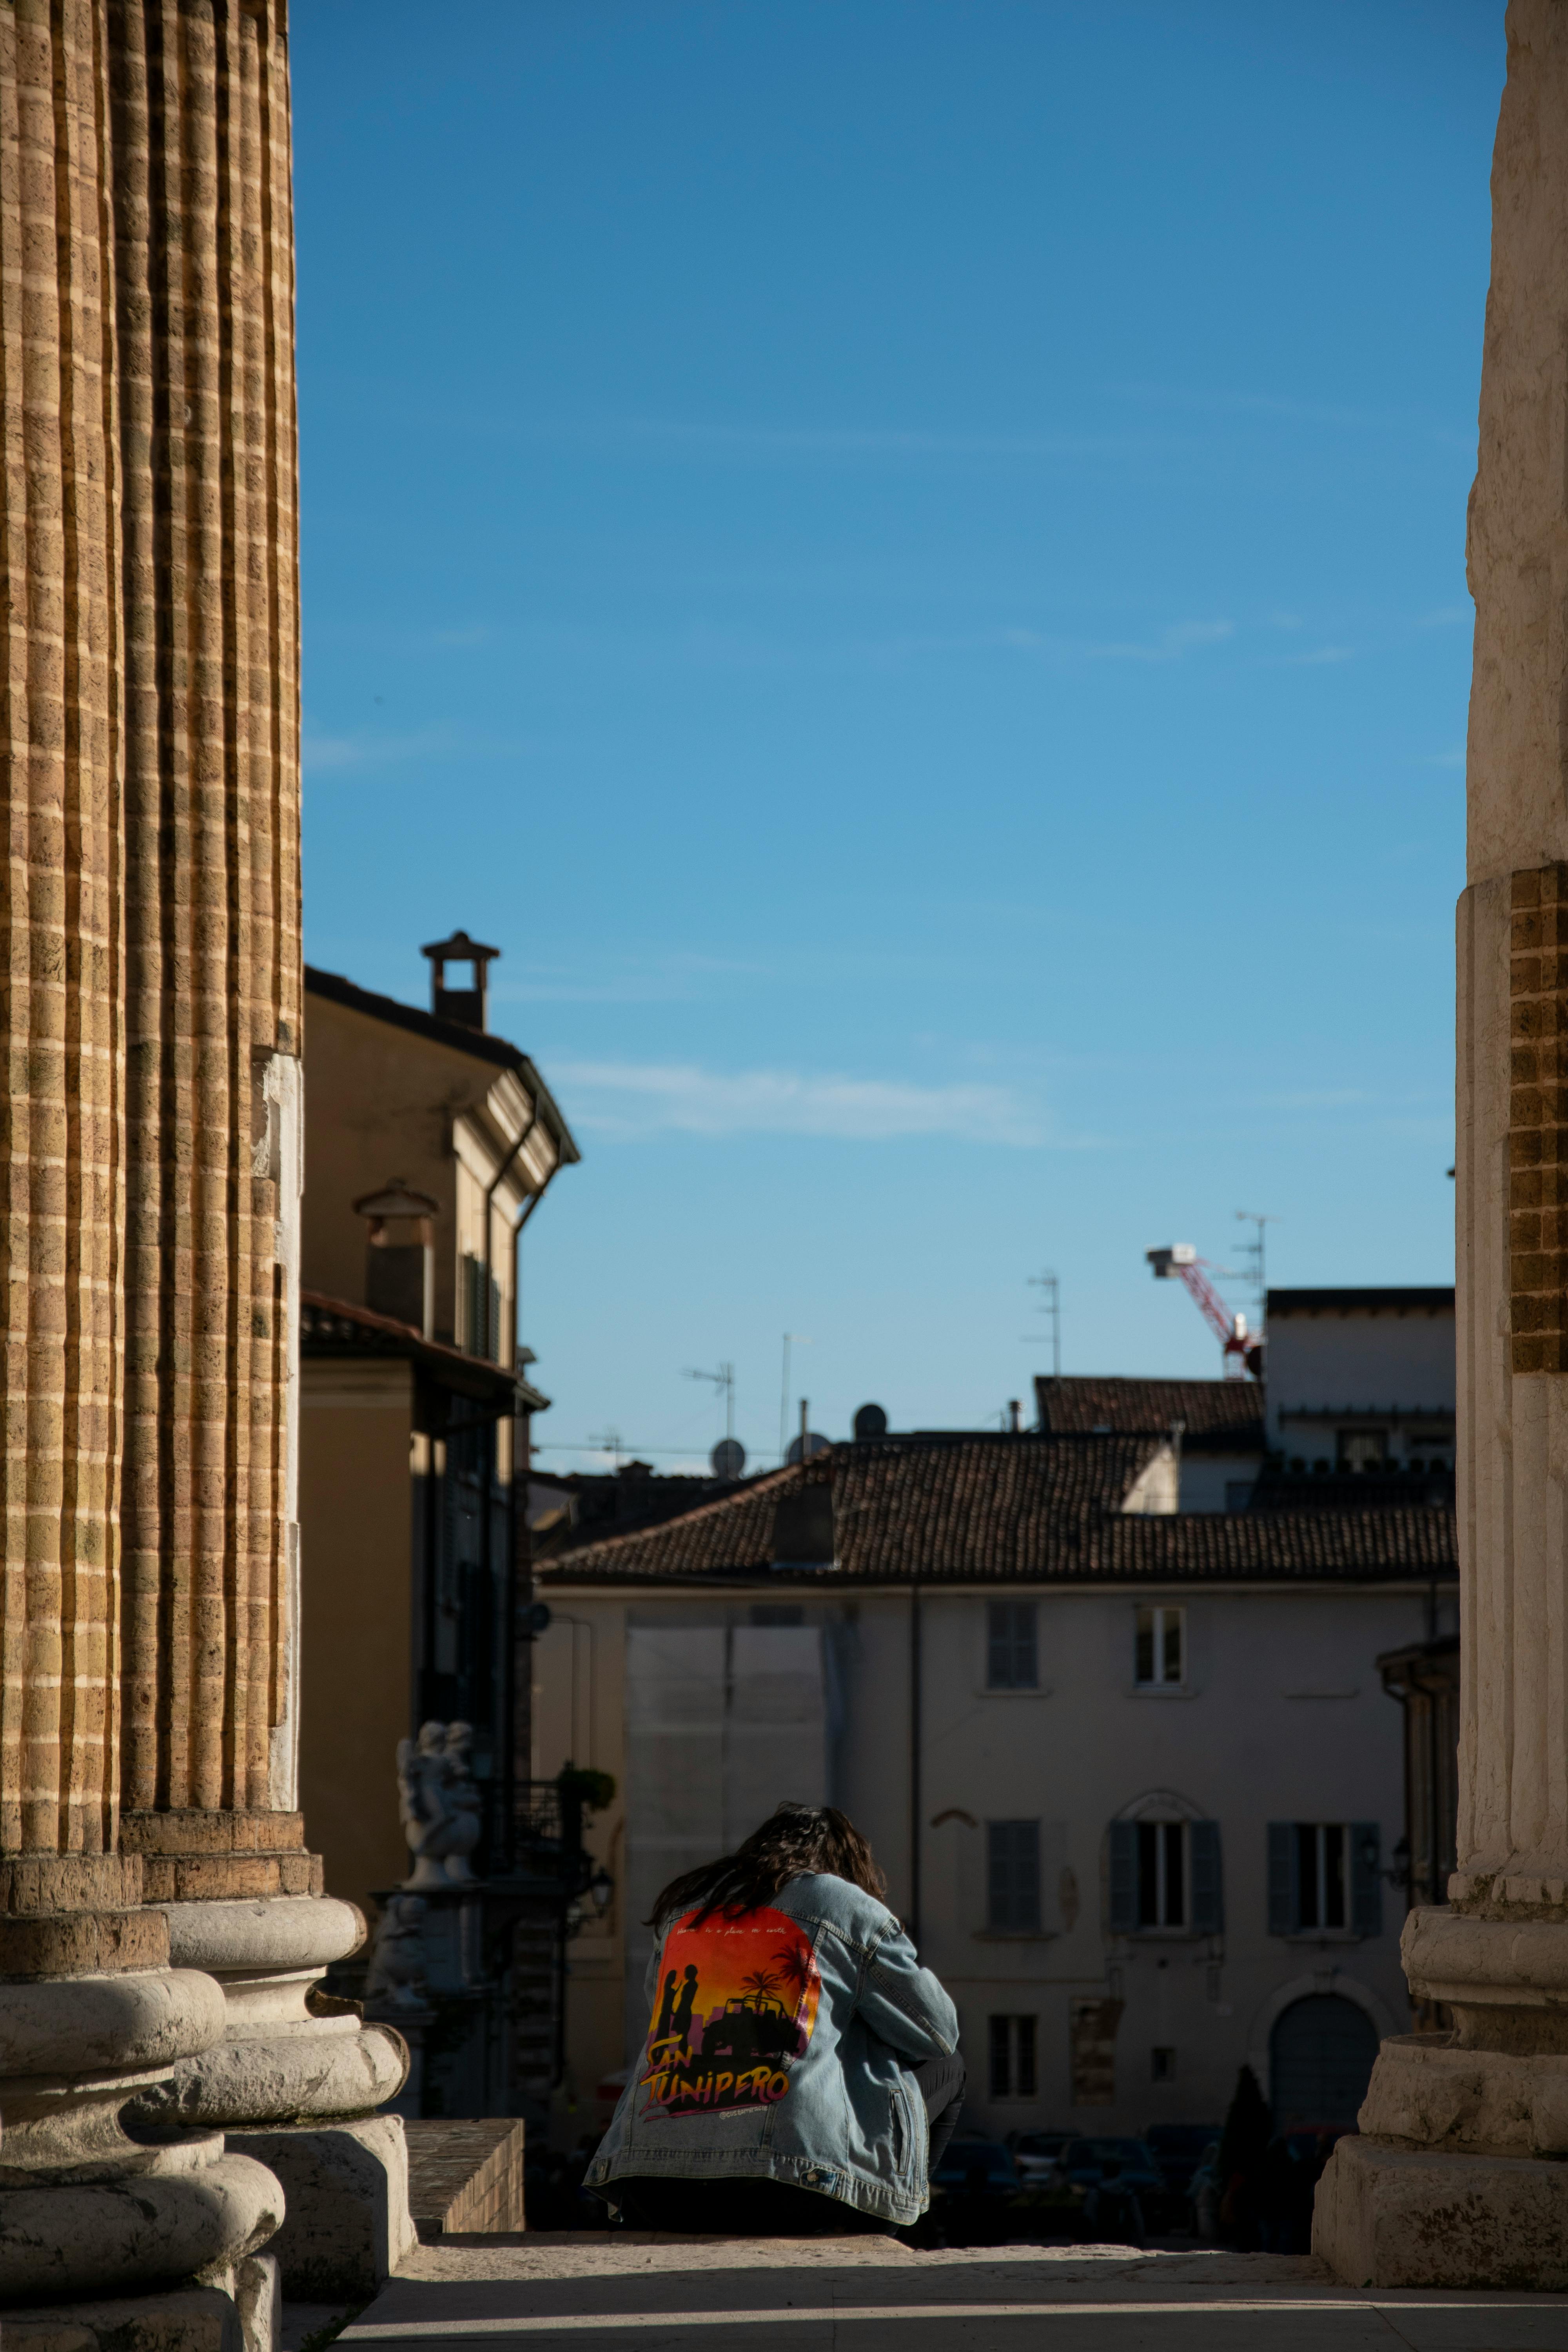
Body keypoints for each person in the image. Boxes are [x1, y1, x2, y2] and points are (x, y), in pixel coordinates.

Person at [585, 1802, 964, 2236]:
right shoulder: (842, 1903)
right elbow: (938, 2034)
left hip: (654, 2191)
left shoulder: (686, 1908)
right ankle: (898, 2228)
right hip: (793, 2193)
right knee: (949, 2067)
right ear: (845, 1863)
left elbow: (662, 2012)